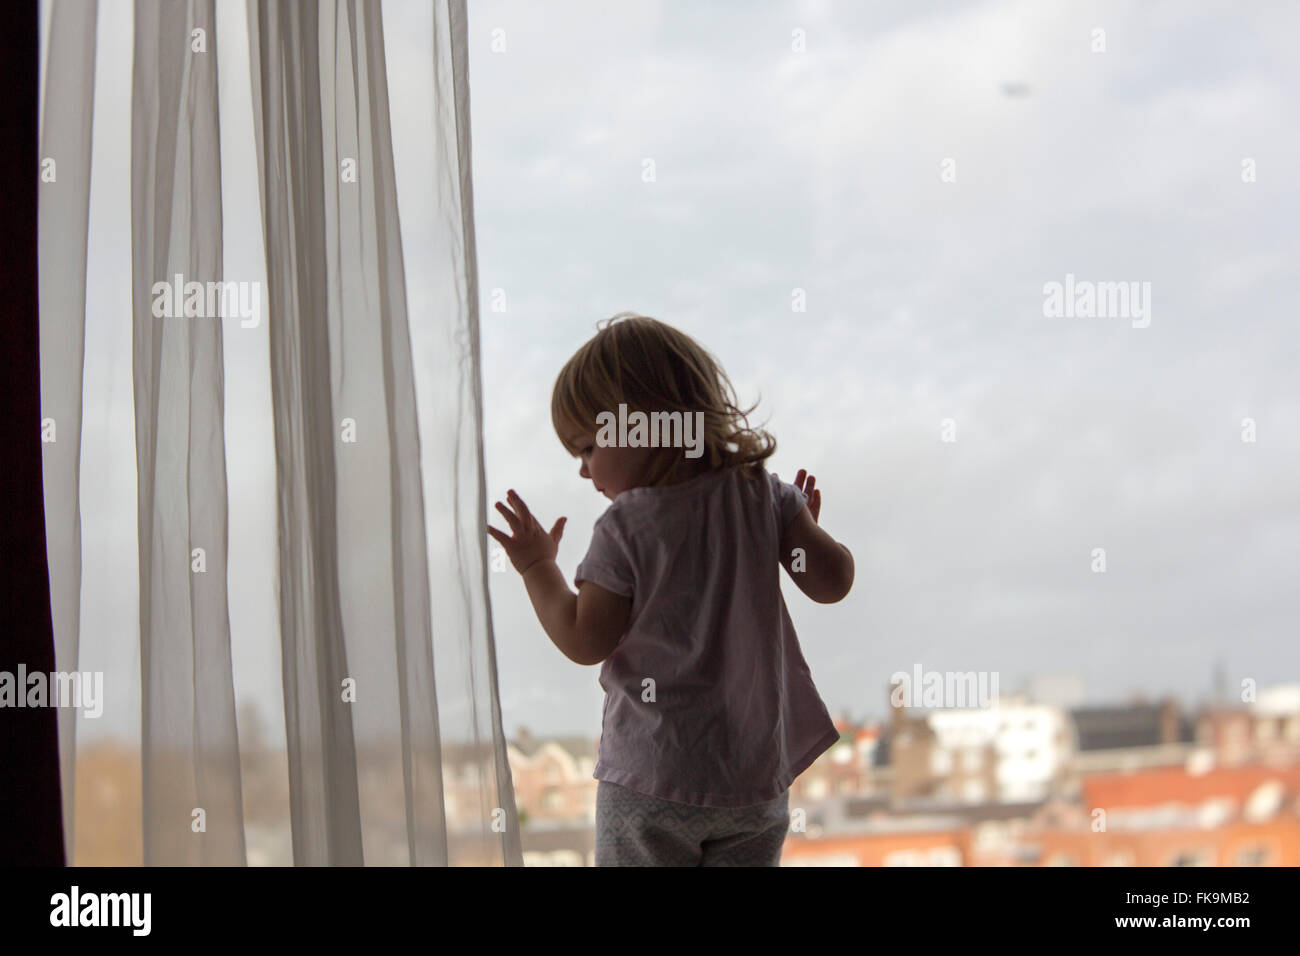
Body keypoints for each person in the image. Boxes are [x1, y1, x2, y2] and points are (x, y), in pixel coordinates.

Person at [487, 312, 854, 866]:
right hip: (753, 781)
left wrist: (538, 567)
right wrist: (804, 531)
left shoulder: (628, 524)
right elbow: (832, 584)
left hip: (654, 776)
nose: (584, 472)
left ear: (641, 424)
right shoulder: (763, 495)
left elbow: (586, 641)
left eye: (587, 448)